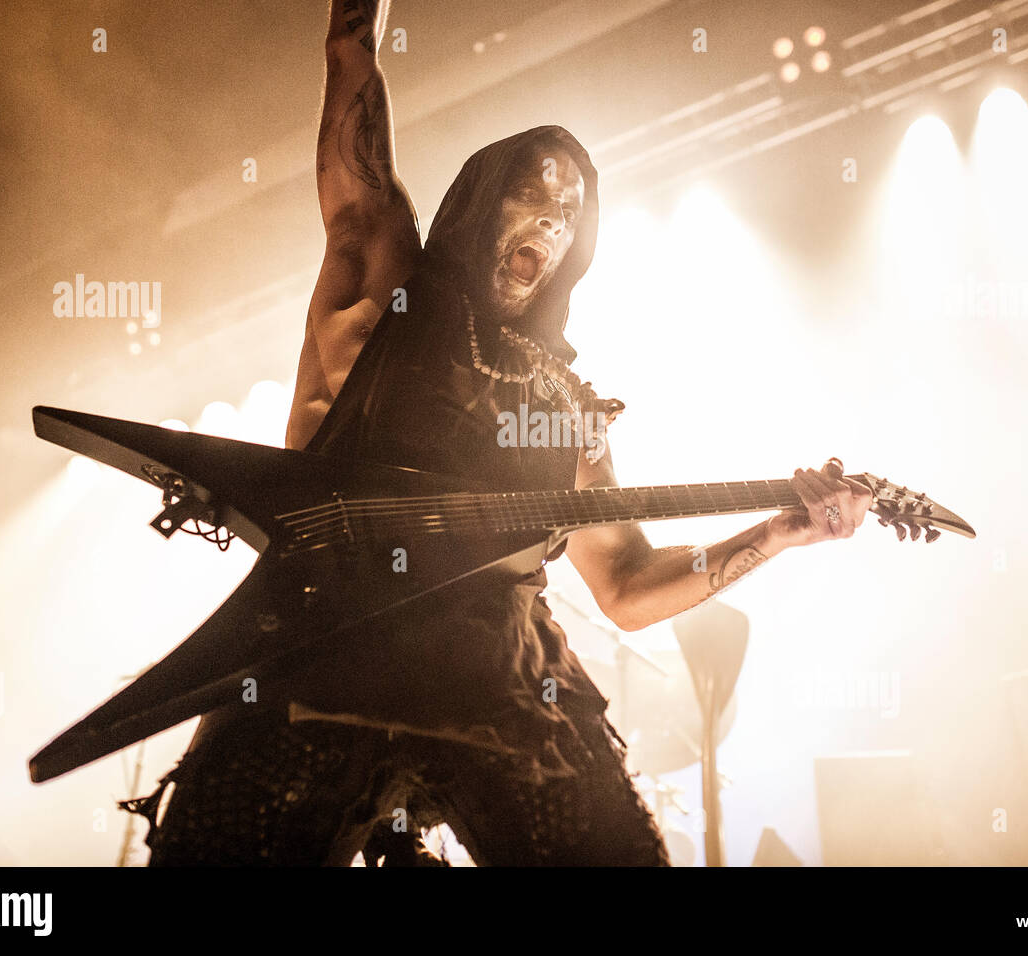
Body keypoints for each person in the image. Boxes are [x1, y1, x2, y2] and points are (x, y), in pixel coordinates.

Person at [124, 0, 873, 866]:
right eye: (539, 187)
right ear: (483, 199)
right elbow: (353, 132)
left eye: (574, 208)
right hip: (324, 662)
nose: (555, 217)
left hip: (505, 683)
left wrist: (776, 533)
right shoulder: (389, 296)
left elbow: (625, 584)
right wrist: (352, 26)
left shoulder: (566, 402)